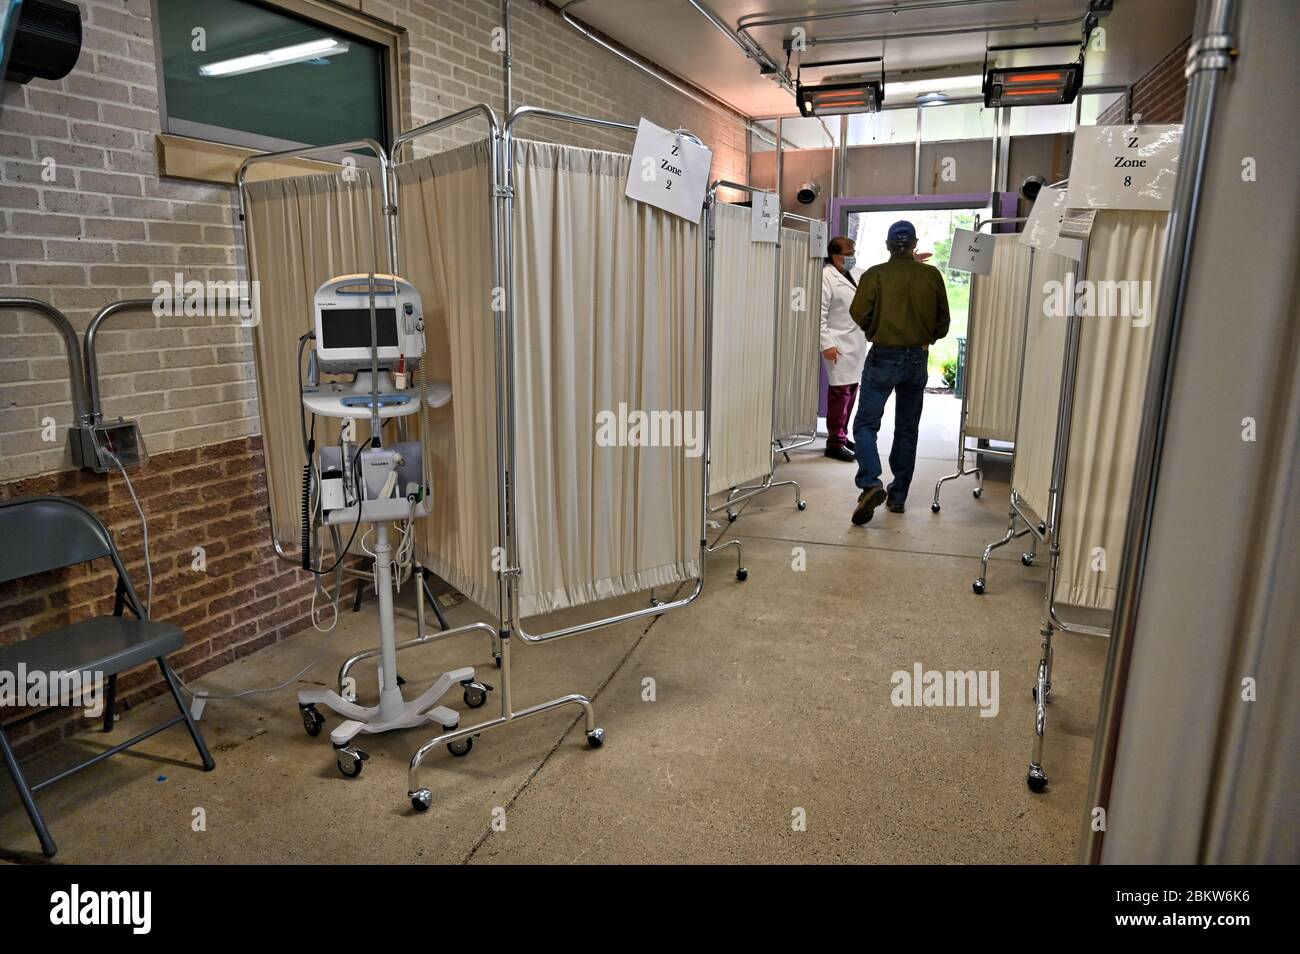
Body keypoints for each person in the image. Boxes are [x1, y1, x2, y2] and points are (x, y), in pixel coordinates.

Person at [847, 220, 950, 525]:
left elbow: (858, 313)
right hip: (917, 358)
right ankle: (899, 496)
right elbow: (942, 324)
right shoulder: (931, 275)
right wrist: (924, 336)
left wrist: (876, 329)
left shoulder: (874, 275)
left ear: (888, 246)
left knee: (866, 425)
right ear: (915, 244)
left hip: (883, 356)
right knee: (907, 428)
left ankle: (871, 482)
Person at [820, 236, 867, 461]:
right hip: (836, 344)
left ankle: (842, 435)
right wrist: (826, 344)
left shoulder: (857, 273)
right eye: (847, 254)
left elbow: (880, 273)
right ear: (834, 255)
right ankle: (834, 442)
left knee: (852, 392)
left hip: (856, 343)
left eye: (853, 252)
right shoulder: (825, 277)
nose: (852, 257)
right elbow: (818, 314)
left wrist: (908, 261)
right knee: (840, 394)